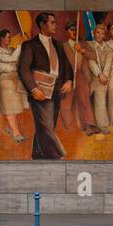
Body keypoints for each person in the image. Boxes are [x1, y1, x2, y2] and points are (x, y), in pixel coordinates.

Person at [17, 12, 74, 159]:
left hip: (58, 89)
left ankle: (38, 154)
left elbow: (67, 66)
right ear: (42, 24)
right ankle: (58, 155)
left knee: (47, 126)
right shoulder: (29, 45)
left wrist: (69, 81)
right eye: (52, 22)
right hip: (39, 91)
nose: (56, 25)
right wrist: (34, 89)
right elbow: (23, 69)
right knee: (46, 126)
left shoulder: (58, 44)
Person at [0, 29, 28, 143]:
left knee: (14, 108)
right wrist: (21, 45)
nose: (9, 39)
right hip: (5, 81)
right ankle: (16, 133)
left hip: (15, 80)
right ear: (1, 38)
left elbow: (18, 60)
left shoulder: (11, 50)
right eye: (7, 37)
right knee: (10, 108)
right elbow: (12, 59)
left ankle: (10, 128)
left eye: (10, 37)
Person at [86, 23, 113, 134]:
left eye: (102, 33)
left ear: (104, 36)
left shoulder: (109, 50)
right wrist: (99, 74)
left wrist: (104, 76)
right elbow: (91, 61)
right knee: (91, 99)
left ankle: (104, 124)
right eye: (97, 32)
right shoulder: (88, 45)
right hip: (90, 76)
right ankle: (94, 124)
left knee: (103, 98)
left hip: (104, 78)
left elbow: (108, 65)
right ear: (94, 33)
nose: (99, 35)